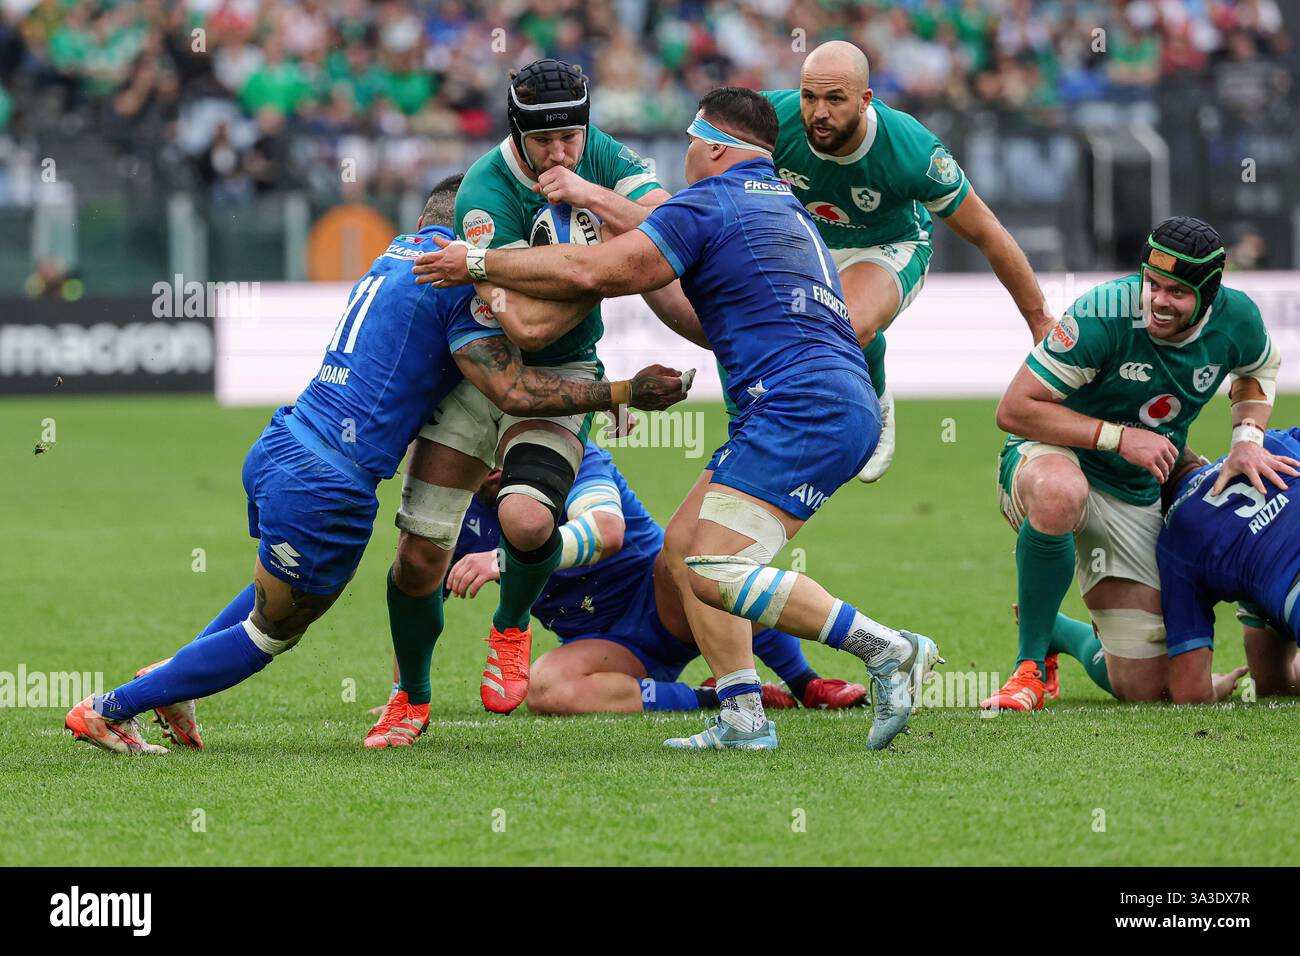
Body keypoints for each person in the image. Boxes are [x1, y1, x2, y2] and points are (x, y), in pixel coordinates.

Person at [63, 176, 691, 754]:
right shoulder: (452, 284)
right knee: (272, 633)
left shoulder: (391, 257)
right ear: (476, 233)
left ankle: (173, 686)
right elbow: (514, 391)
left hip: (282, 442)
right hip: (328, 483)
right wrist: (618, 391)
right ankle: (112, 707)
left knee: (272, 596)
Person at [412, 87, 942, 751]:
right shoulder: (783, 205)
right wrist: (596, 201)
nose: (685, 154)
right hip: (815, 397)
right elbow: (673, 285)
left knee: (716, 568)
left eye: (692, 141)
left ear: (715, 146)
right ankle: (744, 717)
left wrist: (479, 262)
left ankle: (887, 648)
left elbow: (593, 267)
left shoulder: (710, 204)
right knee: (685, 545)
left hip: (801, 406)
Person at [393, 57, 695, 721]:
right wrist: (613, 263)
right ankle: (406, 699)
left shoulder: (603, 155)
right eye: (543, 142)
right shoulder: (484, 192)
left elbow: (669, 226)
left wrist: (589, 214)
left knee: (527, 520)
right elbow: (525, 326)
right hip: (482, 376)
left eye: (571, 139)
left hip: (566, 373)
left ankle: (510, 626)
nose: (560, 155)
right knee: (417, 554)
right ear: (515, 131)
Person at [987, 215, 1295, 710]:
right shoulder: (1105, 311)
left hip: (1132, 489)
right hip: (1048, 457)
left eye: (1176, 292)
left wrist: (1247, 440)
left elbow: (1259, 367)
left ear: (1209, 294)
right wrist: (1118, 437)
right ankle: (1028, 670)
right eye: (1151, 283)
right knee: (1061, 492)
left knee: (1148, 689)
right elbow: (1016, 410)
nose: (1157, 300)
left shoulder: (1237, 318)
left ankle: (1054, 631)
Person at [715, 40, 1053, 482]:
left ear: (865, 100)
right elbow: (706, 145)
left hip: (889, 245)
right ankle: (742, 422)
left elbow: (989, 234)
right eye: (809, 97)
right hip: (805, 245)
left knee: (847, 323)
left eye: (835, 99)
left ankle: (876, 396)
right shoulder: (770, 120)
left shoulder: (912, 150)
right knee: (730, 302)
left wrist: (1040, 322)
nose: (818, 113)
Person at [366, 444, 865, 742]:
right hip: (611, 646)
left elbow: (607, 532)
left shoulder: (566, 456)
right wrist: (404, 692)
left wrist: (503, 561)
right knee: (545, 688)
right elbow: (417, 594)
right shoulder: (450, 512)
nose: (493, 454)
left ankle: (806, 683)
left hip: (660, 593)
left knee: (700, 562)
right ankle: (706, 699)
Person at [1158, 430, 1300, 702]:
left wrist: (1219, 686)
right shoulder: (1269, 441)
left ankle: (1258, 605)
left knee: (1274, 679)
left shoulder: (1174, 543)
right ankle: (1258, 604)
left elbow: (1191, 691)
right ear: (1203, 460)